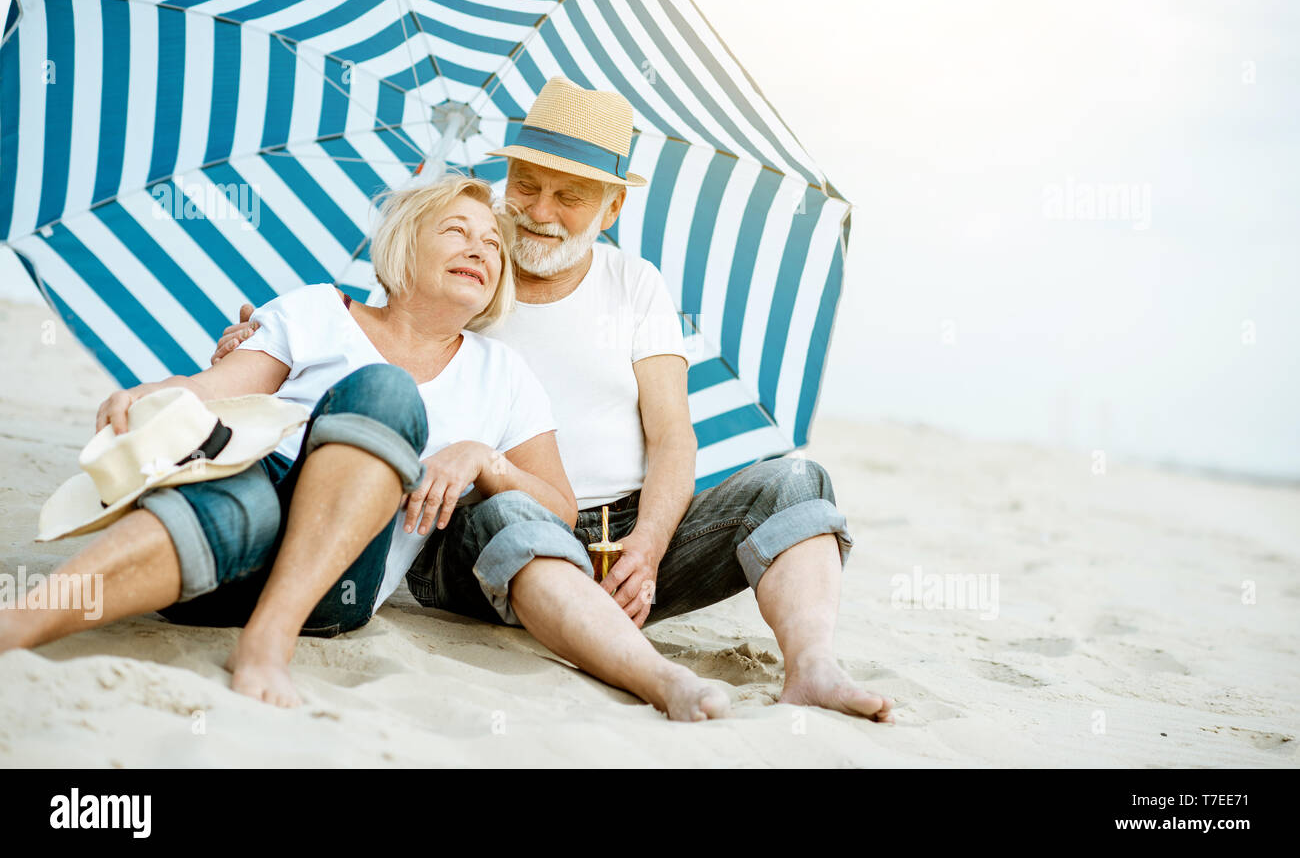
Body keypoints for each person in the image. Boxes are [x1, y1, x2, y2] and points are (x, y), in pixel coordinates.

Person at [214, 78, 894, 724]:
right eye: (529, 186)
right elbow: (381, 327)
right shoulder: (472, 265)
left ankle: (811, 666)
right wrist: (265, 337)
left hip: (626, 540)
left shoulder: (635, 285)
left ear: (612, 207)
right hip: (479, 522)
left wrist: (649, 549)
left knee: (797, 479)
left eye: (570, 196)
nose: (539, 212)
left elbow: (673, 435)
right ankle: (654, 676)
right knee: (514, 507)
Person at [0, 176, 589, 710]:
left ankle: (270, 638)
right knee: (243, 490)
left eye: (491, 243)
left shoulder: (504, 374)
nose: (479, 248)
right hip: (222, 552)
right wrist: (152, 392)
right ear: (404, 248)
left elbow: (559, 506)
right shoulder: (317, 309)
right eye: (456, 231)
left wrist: (488, 462)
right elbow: (215, 390)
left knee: (386, 393)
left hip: (335, 585)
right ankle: (20, 626)